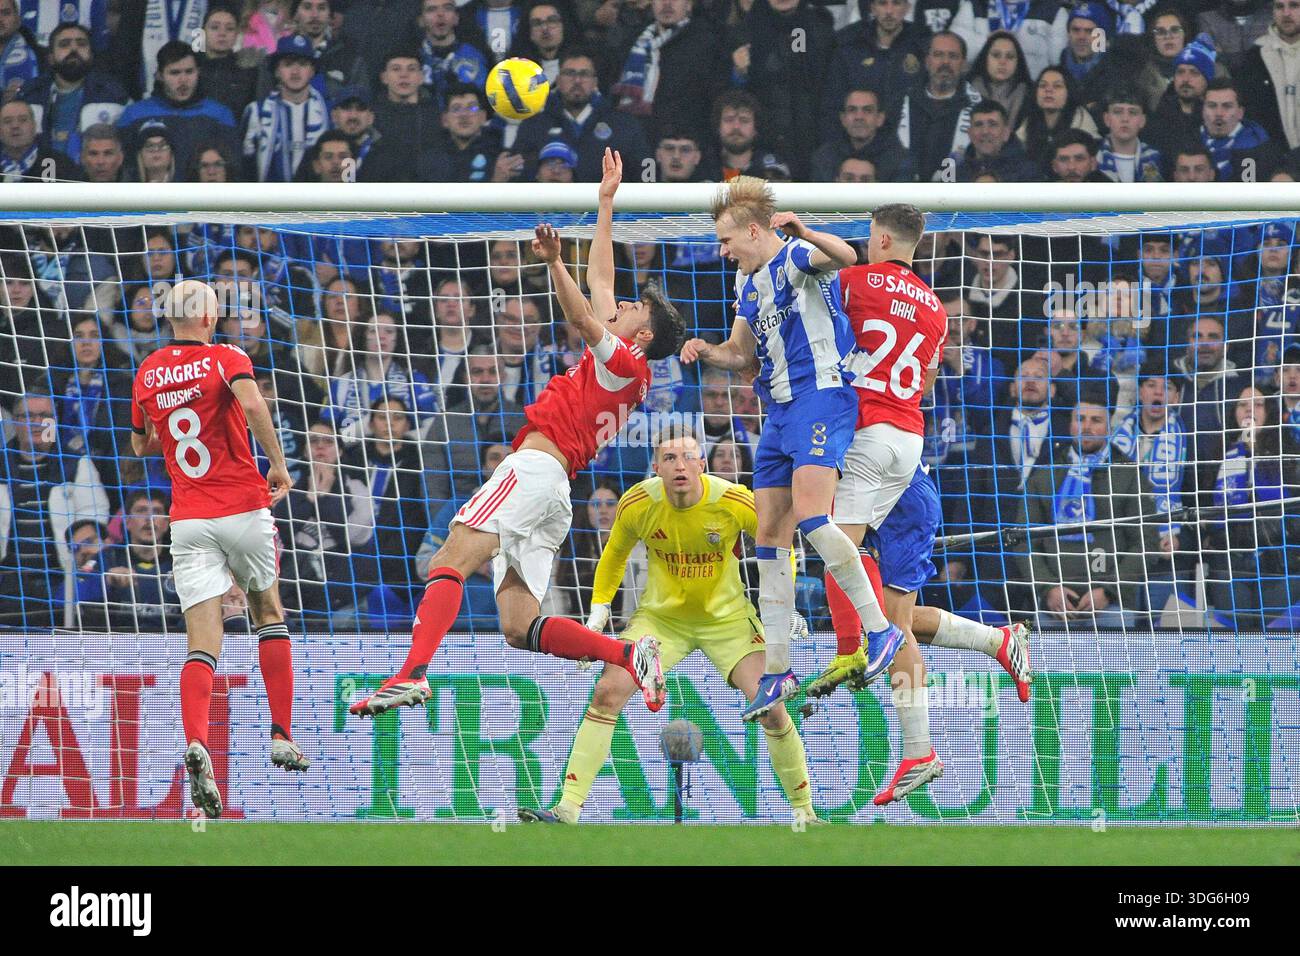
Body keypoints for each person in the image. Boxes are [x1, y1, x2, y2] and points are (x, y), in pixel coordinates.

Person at [348, 149, 686, 719]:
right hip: (553, 488)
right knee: (517, 625)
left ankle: (410, 674)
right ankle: (628, 654)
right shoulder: (626, 361)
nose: (620, 304)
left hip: (532, 471)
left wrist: (553, 262)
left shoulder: (626, 363)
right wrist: (606, 201)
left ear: (644, 334)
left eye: (632, 307)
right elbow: (601, 281)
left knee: (448, 561)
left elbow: (582, 314)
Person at [520, 431, 818, 824]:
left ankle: (805, 813)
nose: (680, 465)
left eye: (688, 457)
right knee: (607, 693)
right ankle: (568, 808)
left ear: (702, 465)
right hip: (660, 619)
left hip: (727, 619)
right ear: (656, 467)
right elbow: (613, 556)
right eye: (670, 458)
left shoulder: (732, 500)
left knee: (773, 709)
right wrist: (599, 609)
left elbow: (780, 545)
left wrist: (784, 603)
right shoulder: (639, 503)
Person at [681, 176, 877, 723]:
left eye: (726, 241)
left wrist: (805, 228)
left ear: (752, 230)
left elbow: (846, 254)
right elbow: (739, 353)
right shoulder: (745, 288)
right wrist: (706, 349)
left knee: (814, 518)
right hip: (778, 412)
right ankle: (779, 667)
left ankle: (877, 630)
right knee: (768, 535)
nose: (721, 252)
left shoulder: (794, 256)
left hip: (821, 397)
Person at [131, 279, 309, 819]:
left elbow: (141, 443)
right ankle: (281, 733)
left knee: (201, 641)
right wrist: (276, 463)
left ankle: (197, 741)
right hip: (243, 507)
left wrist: (180, 416)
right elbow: (252, 404)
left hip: (188, 519)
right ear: (209, 319)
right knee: (268, 614)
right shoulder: (225, 357)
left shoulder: (147, 372)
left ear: (169, 321)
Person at [806, 465, 1033, 802]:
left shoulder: (831, 424)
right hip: (882, 500)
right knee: (883, 617)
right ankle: (996, 641)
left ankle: (920, 752)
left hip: (900, 502)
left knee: (892, 629)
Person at [802, 205, 946, 711]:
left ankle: (858, 646)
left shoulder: (855, 281)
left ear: (880, 241)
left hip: (867, 433)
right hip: (910, 438)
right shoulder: (936, 308)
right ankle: (877, 640)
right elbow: (926, 382)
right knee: (858, 560)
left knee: (836, 546)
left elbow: (813, 319)